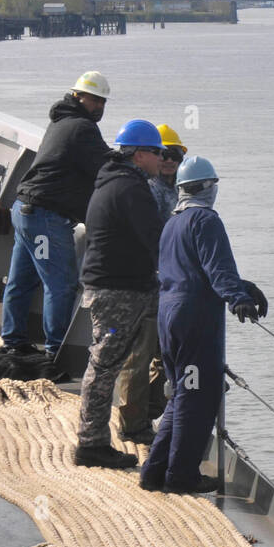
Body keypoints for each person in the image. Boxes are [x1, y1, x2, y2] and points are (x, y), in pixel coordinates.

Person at [139, 156, 268, 494]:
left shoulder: (173, 223)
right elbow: (216, 266)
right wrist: (236, 298)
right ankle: (181, 476)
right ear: (209, 187)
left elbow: (193, 267)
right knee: (197, 397)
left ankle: (154, 471)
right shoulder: (206, 220)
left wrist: (244, 288)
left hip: (169, 315)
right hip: (195, 319)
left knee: (182, 393)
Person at [73, 120, 164, 469]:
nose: (161, 159)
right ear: (140, 154)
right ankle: (91, 443)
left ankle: (104, 434)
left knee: (105, 362)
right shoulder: (131, 189)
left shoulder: (111, 182)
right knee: (105, 363)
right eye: (157, 153)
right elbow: (156, 240)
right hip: (117, 294)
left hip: (113, 287)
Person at [1, 71, 111, 357]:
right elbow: (104, 166)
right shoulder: (82, 128)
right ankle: (56, 352)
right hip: (46, 216)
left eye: (102, 101)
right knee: (60, 285)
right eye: (94, 99)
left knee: (21, 282)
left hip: (25, 210)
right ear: (78, 96)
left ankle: (13, 342)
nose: (99, 106)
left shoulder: (60, 122)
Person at [112, 123, 188, 445]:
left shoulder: (182, 190)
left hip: (169, 282)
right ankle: (133, 424)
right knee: (140, 354)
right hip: (149, 281)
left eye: (175, 155)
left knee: (162, 350)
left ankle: (152, 410)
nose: (168, 161)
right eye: (163, 154)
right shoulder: (149, 190)